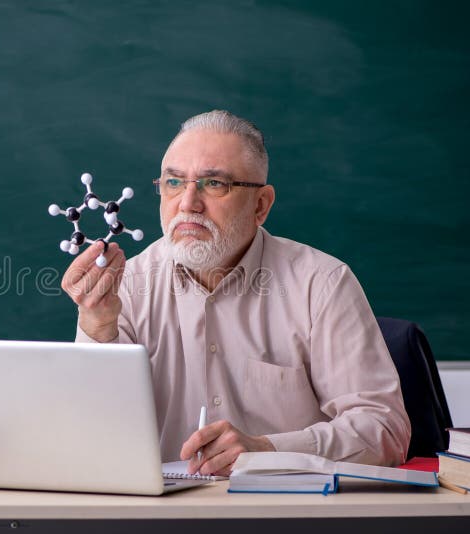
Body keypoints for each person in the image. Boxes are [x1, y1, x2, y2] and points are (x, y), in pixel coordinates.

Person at [61, 110, 411, 476]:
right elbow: (88, 436)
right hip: (161, 516)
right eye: (174, 183)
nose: (188, 204)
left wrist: (268, 450)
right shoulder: (127, 287)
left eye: (214, 184)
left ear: (261, 205)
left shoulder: (321, 284)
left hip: (286, 515)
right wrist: (99, 329)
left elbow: (384, 430)